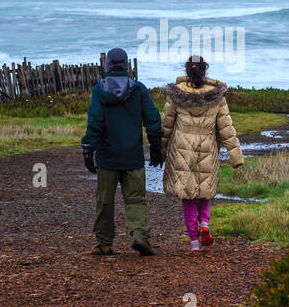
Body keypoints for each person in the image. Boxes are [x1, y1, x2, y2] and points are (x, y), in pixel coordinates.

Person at [82, 47, 163, 256]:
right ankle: (140, 237)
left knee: (105, 200)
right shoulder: (139, 90)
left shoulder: (99, 91)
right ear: (126, 65)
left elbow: (95, 122)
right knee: (136, 199)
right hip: (133, 157)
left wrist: (88, 149)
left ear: (107, 65)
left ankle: (104, 243)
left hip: (107, 157)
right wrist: (156, 148)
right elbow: (153, 120)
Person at [160, 55, 244, 252]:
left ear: (186, 71)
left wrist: (160, 151)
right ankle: (204, 223)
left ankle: (194, 242)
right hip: (207, 148)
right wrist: (236, 158)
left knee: (188, 197)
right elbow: (226, 128)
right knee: (204, 193)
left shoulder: (176, 94)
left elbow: (166, 125)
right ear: (205, 71)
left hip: (182, 149)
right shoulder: (217, 96)